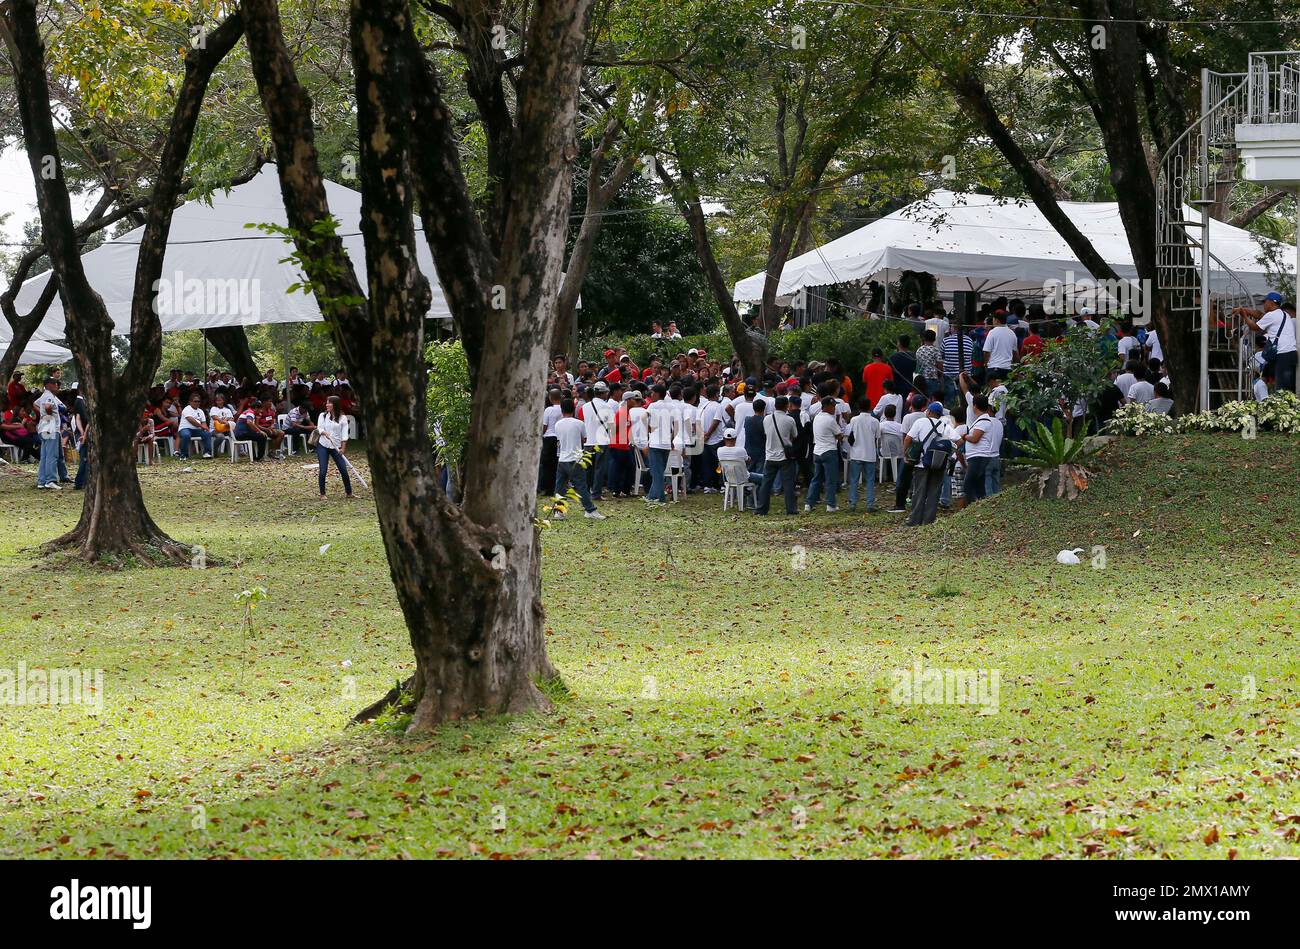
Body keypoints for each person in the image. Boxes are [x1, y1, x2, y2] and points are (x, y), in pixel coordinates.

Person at [553, 398, 604, 520]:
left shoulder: (557, 424)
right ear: (574, 409)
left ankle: (558, 511)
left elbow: (559, 440)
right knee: (581, 486)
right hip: (575, 459)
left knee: (560, 487)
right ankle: (589, 510)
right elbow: (585, 439)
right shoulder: (579, 424)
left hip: (562, 459)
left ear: (562, 410)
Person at [1237, 292, 1296, 394]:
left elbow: (1255, 327)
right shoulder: (1284, 314)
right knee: (1288, 388)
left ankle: (1283, 408)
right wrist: (1244, 310)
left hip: (1282, 355)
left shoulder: (1271, 315)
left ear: (1270, 303)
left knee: (1282, 390)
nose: (1264, 305)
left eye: (1265, 302)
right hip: (1290, 354)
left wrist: (1244, 316)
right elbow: (1259, 315)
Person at [903, 402, 950, 527]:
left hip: (922, 463)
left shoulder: (921, 422)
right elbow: (958, 441)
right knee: (934, 492)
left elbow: (908, 438)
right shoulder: (945, 425)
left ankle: (914, 519)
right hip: (939, 464)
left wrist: (905, 454)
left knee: (919, 491)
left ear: (928, 412)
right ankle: (929, 520)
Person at [755, 395, 799, 516]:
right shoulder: (790, 420)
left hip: (770, 456)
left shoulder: (766, 419)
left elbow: (766, 433)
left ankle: (761, 509)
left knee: (766, 483)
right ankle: (791, 509)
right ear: (787, 406)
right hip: (785, 456)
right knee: (788, 484)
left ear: (775, 406)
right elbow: (794, 435)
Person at [957, 394, 1002, 504]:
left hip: (978, 456)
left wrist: (965, 436)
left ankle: (972, 508)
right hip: (980, 456)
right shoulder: (983, 420)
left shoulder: (983, 421)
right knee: (979, 486)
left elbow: (975, 438)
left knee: (968, 485)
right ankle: (981, 507)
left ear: (975, 406)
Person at [803, 396, 842, 512]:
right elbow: (838, 434)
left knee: (816, 479)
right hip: (829, 451)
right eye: (833, 406)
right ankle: (831, 504)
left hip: (817, 451)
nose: (835, 408)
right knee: (830, 479)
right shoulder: (830, 419)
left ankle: (809, 503)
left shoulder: (817, 417)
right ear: (827, 406)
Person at [314, 395, 354, 499]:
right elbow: (319, 428)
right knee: (323, 470)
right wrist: (324, 433)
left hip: (336, 446)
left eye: (329, 403)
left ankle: (349, 493)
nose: (327, 405)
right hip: (323, 445)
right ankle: (322, 494)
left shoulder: (343, 418)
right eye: (326, 402)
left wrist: (343, 448)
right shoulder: (322, 415)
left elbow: (345, 435)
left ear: (335, 404)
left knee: (343, 470)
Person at [845, 398, 880, 513]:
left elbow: (849, 434)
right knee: (870, 480)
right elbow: (877, 437)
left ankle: (852, 504)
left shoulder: (854, 420)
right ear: (870, 407)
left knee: (854, 480)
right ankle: (870, 504)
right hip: (870, 454)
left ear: (859, 407)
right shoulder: (875, 421)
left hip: (856, 453)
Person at [34, 375, 64, 489]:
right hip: (50, 427)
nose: (57, 386)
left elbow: (36, 404)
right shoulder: (49, 396)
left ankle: (42, 481)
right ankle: (50, 480)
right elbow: (47, 406)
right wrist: (49, 414)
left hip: (43, 427)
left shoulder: (43, 396)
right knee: (52, 455)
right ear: (49, 385)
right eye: (55, 384)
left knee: (45, 455)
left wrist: (43, 415)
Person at [176, 392, 214, 459]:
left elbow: (204, 422)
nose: (197, 403)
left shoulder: (201, 411)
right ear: (190, 402)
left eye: (199, 401)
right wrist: (202, 426)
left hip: (196, 430)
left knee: (207, 434)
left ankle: (207, 453)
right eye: (195, 401)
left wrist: (205, 428)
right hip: (185, 428)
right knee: (186, 435)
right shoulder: (187, 409)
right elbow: (191, 420)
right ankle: (184, 455)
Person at [983, 310, 1019, 380]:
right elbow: (1015, 353)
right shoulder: (1012, 333)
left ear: (996, 320)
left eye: (993, 319)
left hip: (994, 369)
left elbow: (986, 352)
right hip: (1008, 369)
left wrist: (985, 365)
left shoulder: (992, 332)